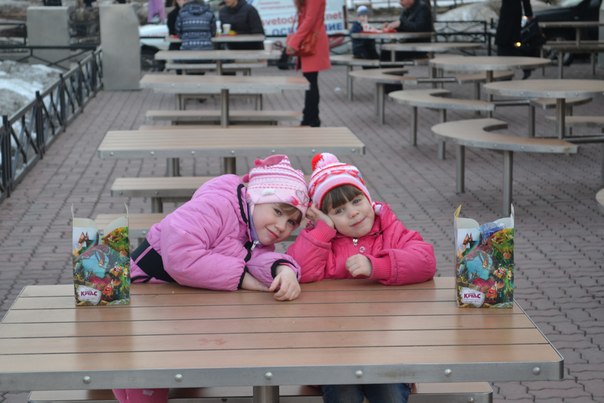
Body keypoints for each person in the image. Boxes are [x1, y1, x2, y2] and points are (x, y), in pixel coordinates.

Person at [112, 154, 309, 403]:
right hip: (143, 296)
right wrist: (241, 278)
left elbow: (260, 259)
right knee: (151, 368)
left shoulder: (254, 232)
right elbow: (180, 256)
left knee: (196, 351)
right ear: (256, 197)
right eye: (277, 211)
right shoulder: (217, 205)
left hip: (183, 301)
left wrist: (283, 269)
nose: (282, 226)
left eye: (291, 222)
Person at [287, 152, 437, 403]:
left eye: (357, 201)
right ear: (326, 216)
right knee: (344, 393)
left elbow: (426, 261)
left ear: (368, 198)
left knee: (389, 393)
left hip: (386, 346)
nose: (353, 213)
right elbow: (298, 269)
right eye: (339, 210)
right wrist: (323, 230)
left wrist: (379, 266)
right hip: (334, 349)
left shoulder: (389, 230)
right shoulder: (324, 241)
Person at [285, 0, 331, 127]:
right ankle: (311, 116)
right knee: (310, 80)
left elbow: (310, 20)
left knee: (310, 81)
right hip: (310, 40)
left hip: (312, 42)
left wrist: (294, 42)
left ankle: (311, 118)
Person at [495, 0, 533, 79]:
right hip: (513, 12)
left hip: (510, 12)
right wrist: (529, 14)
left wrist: (529, 13)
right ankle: (524, 66)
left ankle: (506, 74)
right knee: (511, 43)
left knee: (507, 44)